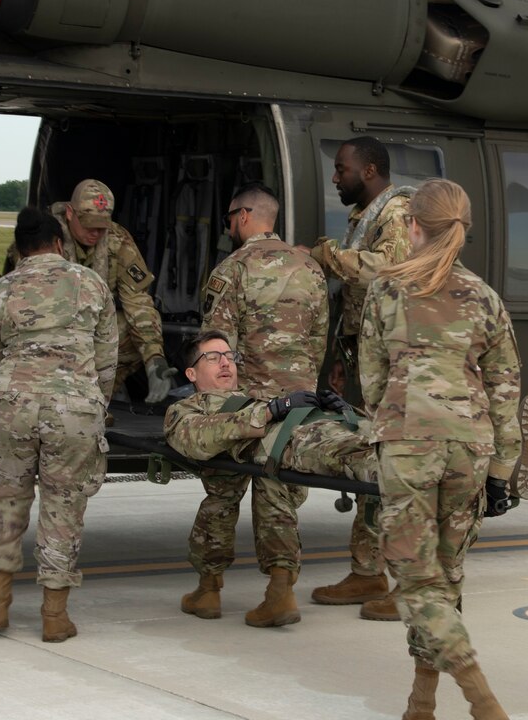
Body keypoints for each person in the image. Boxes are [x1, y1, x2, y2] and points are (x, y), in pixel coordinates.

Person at [359, 178, 521, 720]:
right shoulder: (485, 297)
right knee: (445, 580)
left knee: (417, 581)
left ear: (412, 227)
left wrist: (389, 426)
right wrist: (501, 470)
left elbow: (372, 380)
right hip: (470, 446)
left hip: (409, 441)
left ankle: (483, 701)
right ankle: (421, 701)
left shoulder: (386, 290)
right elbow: (505, 388)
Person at [180, 185, 329, 627]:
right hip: (296, 406)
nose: (228, 226)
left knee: (222, 491)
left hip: (245, 405)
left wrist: (210, 409)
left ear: (244, 216)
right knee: (278, 491)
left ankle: (209, 590)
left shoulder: (232, 269)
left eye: (229, 217)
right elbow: (317, 342)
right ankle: (280, 592)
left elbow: (216, 349)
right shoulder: (311, 268)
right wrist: (301, 388)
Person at [164, 330, 378, 627]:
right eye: (212, 358)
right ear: (191, 372)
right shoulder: (186, 408)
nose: (225, 363)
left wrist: (339, 408)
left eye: (230, 356)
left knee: (383, 454)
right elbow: (197, 438)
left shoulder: (255, 399)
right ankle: (230, 590)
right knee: (388, 468)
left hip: (318, 433)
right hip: (300, 442)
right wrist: (270, 412)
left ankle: (279, 591)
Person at [0, 206, 117, 642]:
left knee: (7, 500)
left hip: (11, 404)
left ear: (18, 249)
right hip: (73, 407)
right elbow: (107, 357)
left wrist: (12, 394)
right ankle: (54, 616)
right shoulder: (90, 284)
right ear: (59, 243)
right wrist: (95, 403)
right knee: (63, 505)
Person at [301, 136, 414, 620]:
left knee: (398, 469)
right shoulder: (364, 218)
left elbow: (389, 270)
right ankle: (368, 570)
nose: (335, 178)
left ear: (369, 171)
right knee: (372, 462)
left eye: (341, 169)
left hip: (398, 363)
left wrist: (327, 256)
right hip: (369, 361)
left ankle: (409, 584)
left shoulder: (398, 214)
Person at [5, 179, 175, 403]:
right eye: (88, 225)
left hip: (90, 327)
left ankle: (97, 397)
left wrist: (155, 360)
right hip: (47, 330)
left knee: (133, 333)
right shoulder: (44, 237)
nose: (96, 232)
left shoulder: (117, 240)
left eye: (101, 226)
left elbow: (138, 302)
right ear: (69, 213)